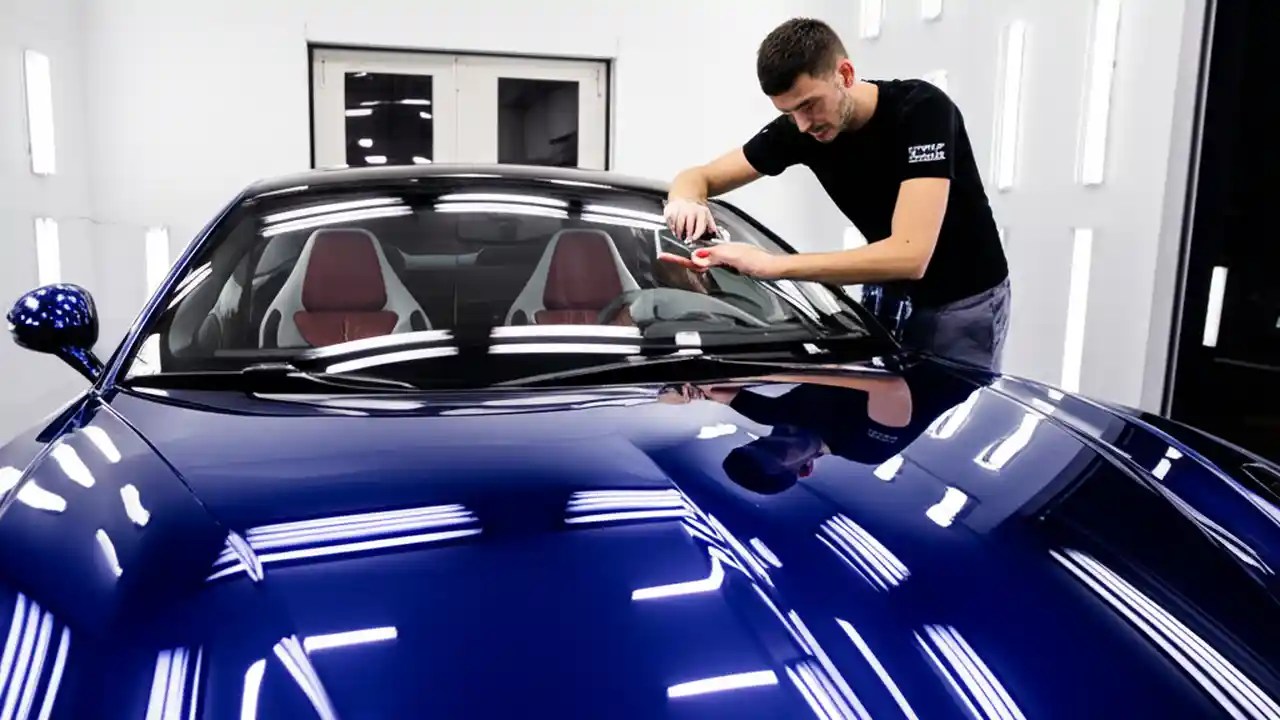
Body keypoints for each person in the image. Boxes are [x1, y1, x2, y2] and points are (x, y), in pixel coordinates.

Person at [661, 17, 1012, 371]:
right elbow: (697, 176)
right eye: (789, 112)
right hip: (888, 290)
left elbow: (911, 256)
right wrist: (686, 202)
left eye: (809, 105)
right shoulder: (801, 130)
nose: (802, 124)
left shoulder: (923, 111)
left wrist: (771, 265)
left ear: (844, 74)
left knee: (945, 419)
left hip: (964, 302)